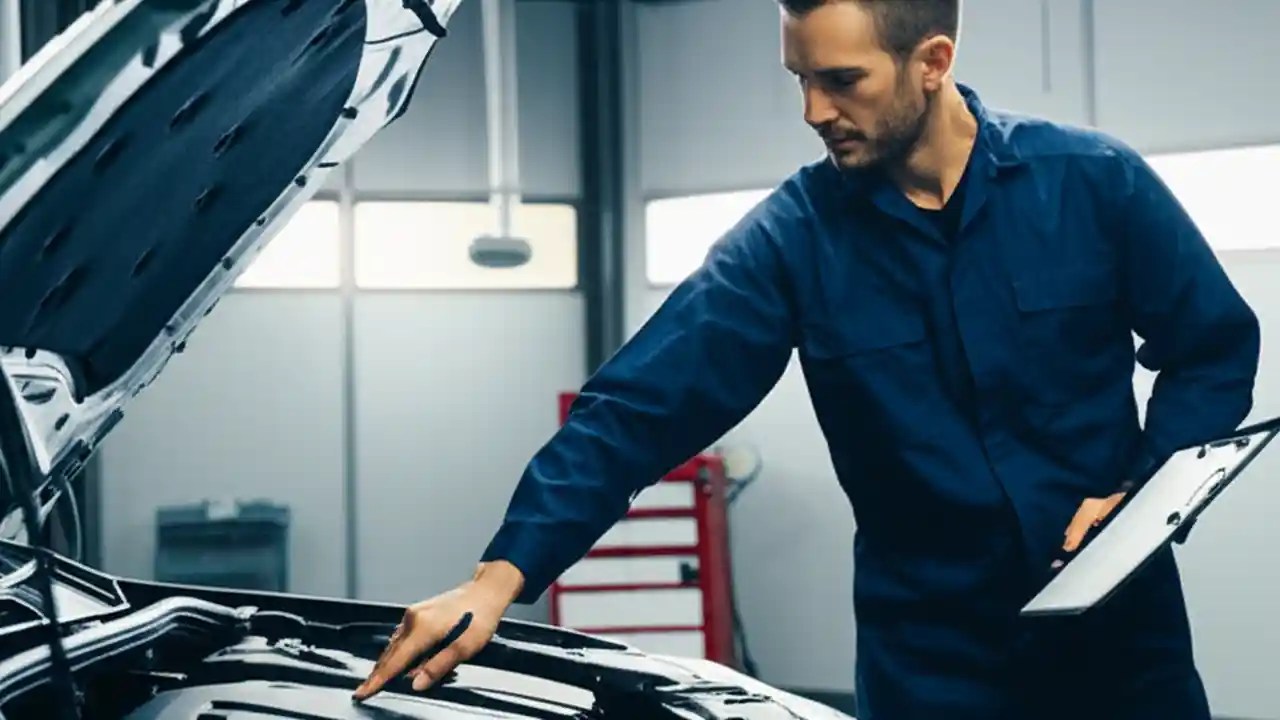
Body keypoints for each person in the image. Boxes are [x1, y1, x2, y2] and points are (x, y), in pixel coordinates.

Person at [353, 0, 1261, 717]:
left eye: (841, 80)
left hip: (1120, 648)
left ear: (933, 62)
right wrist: (498, 579)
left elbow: (1214, 346)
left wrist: (1144, 494)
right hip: (933, 671)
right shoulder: (792, 241)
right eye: (798, 78)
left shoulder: (1094, 183)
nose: (812, 111)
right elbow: (638, 410)